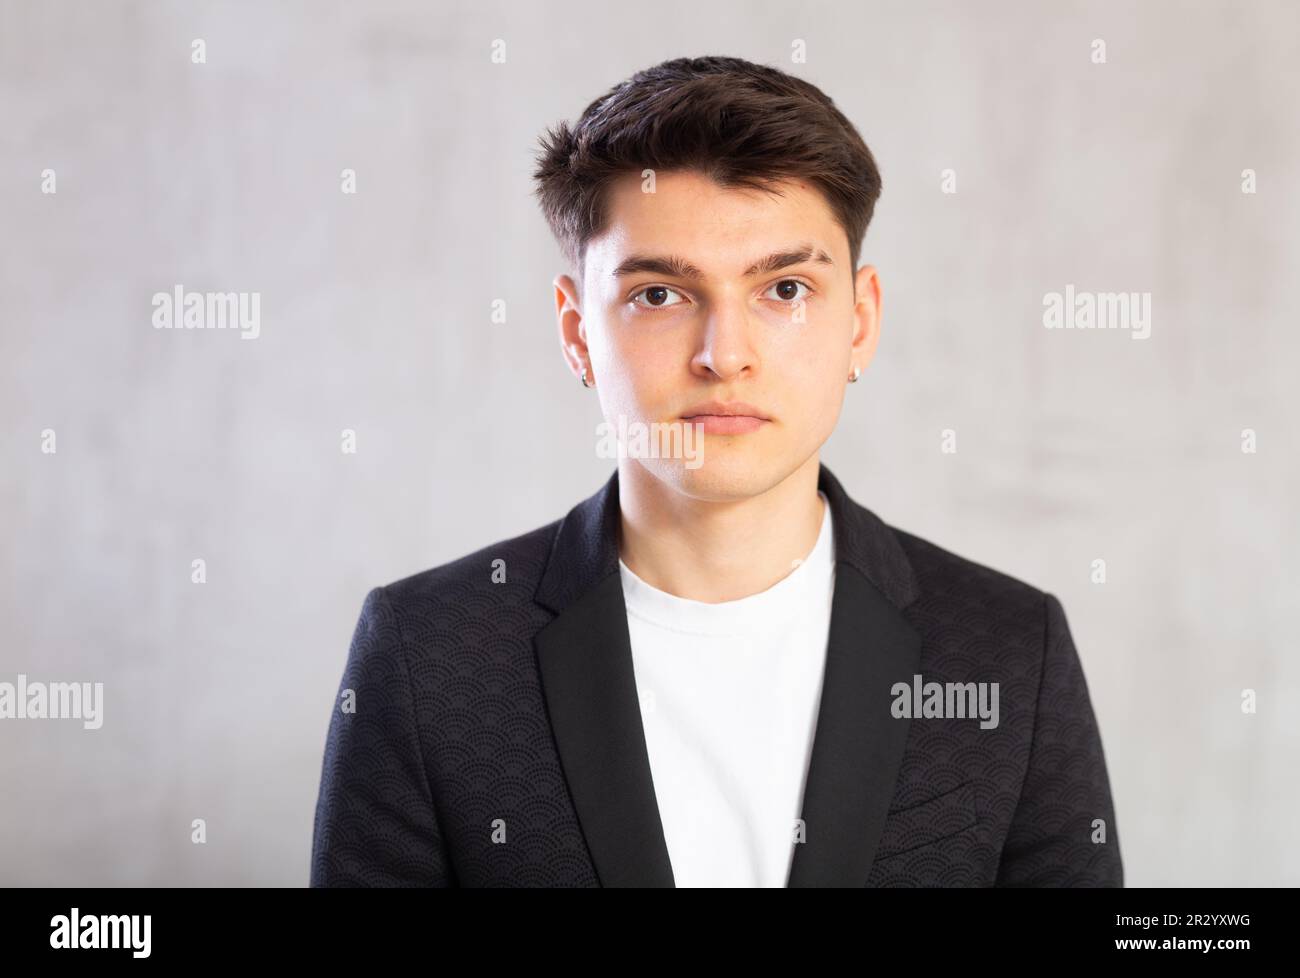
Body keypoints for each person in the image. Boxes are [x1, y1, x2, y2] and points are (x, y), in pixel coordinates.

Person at [310, 55, 1122, 887]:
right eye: (660, 294)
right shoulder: (426, 653)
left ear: (861, 321)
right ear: (577, 332)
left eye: (786, 289)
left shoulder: (1012, 649)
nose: (724, 355)